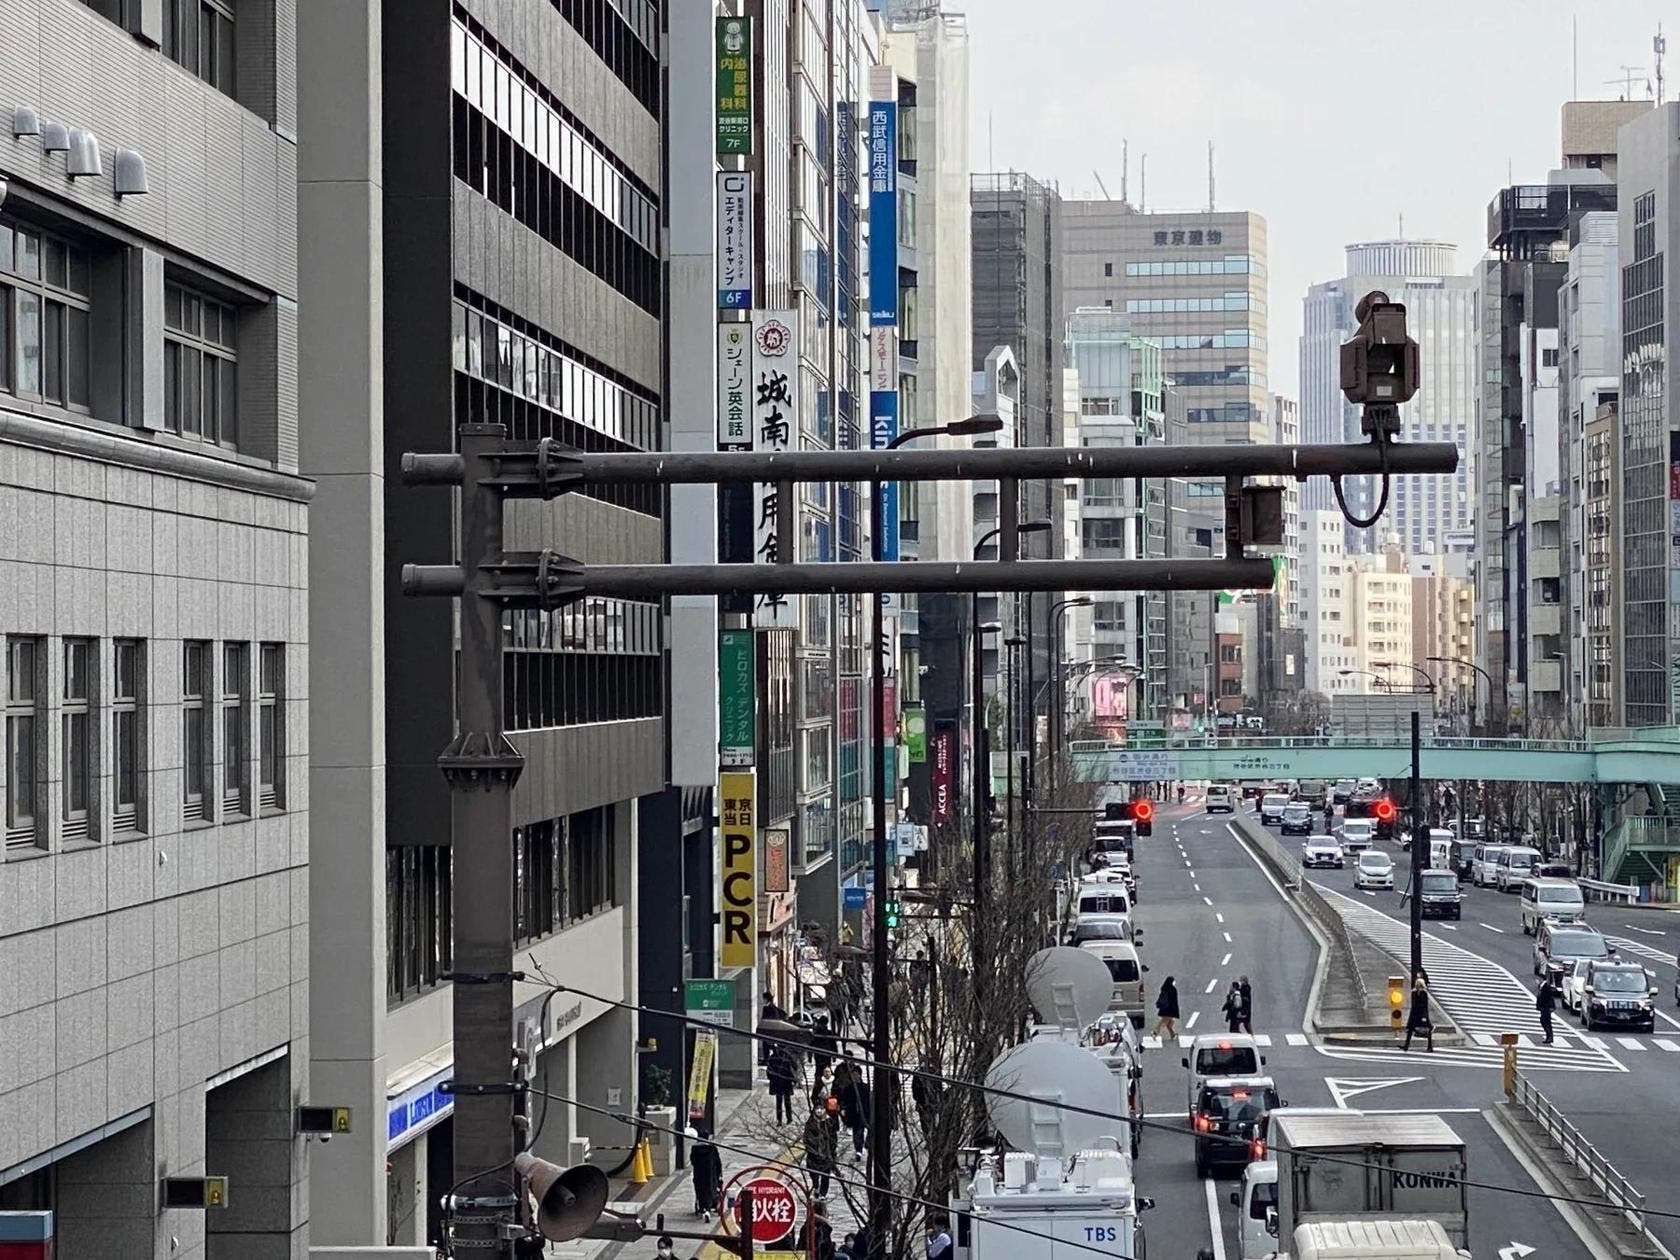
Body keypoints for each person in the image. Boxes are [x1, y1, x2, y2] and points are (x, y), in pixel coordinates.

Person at [803, 1103, 838, 1198]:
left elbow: (833, 1137)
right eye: (817, 1108)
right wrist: (813, 1149)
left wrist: (831, 1148)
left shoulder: (829, 1122)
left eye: (821, 1108)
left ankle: (823, 1193)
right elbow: (807, 1138)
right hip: (814, 1154)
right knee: (813, 1173)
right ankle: (816, 1186)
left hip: (827, 1154)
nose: (819, 1111)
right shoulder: (810, 1123)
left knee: (825, 1175)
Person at [689, 1127, 722, 1220]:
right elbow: (718, 1162)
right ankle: (708, 1209)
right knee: (710, 1190)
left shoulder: (694, 1148)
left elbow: (693, 1160)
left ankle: (702, 1208)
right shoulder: (712, 1147)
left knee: (700, 1190)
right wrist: (719, 1174)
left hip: (698, 1173)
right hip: (710, 1173)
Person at [768, 1044, 798, 1124]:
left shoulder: (774, 1057)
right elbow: (795, 1067)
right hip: (786, 1081)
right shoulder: (787, 1056)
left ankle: (780, 1120)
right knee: (786, 1101)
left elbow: (769, 1070)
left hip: (778, 1081)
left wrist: (772, 1078)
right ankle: (788, 1119)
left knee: (779, 1101)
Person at [1403, 973, 1434, 1052]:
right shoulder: (1414, 993)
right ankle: (1406, 1046)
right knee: (1411, 1029)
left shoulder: (1423, 993)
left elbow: (1424, 1005)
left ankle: (1430, 1047)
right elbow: (1414, 1005)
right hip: (1416, 1013)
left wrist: (1424, 1016)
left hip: (1421, 1014)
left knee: (1428, 1029)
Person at [1151, 976, 1180, 1041]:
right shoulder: (1173, 989)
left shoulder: (1164, 988)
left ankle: (1173, 1035)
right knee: (1163, 1022)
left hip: (1164, 1008)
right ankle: (1155, 1032)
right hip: (1170, 1009)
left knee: (1170, 1023)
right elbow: (1174, 1001)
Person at [1537, 971, 1558, 1045]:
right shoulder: (1542, 986)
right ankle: (1549, 1036)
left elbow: (1548, 997)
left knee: (1546, 1022)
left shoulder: (1546, 986)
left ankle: (1549, 1037)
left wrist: (1549, 1007)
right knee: (1544, 1021)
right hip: (1543, 1007)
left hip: (1546, 1007)